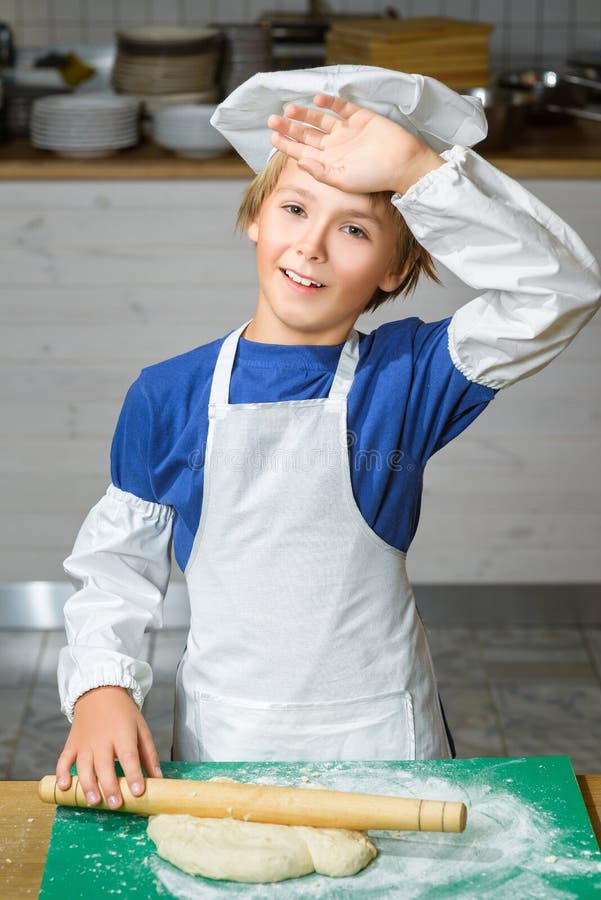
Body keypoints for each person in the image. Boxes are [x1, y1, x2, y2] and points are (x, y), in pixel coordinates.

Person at [54, 66, 601, 812]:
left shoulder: (406, 378)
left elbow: (559, 290)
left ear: (395, 266)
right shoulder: (166, 394)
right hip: (229, 742)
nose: (310, 247)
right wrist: (101, 686)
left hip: (382, 745)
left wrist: (416, 170)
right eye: (293, 208)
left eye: (353, 229)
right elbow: (118, 568)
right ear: (255, 216)